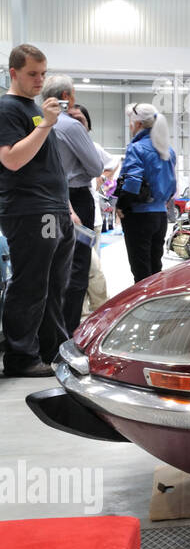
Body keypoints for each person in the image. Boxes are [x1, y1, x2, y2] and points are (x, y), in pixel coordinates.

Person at [0, 44, 74, 377]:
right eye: (32, 74)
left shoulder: (36, 110)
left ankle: (52, 349)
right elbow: (12, 159)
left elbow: (49, 164)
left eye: (43, 74)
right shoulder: (7, 109)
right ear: (13, 73)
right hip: (30, 209)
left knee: (55, 284)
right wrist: (44, 125)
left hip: (53, 208)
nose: (40, 80)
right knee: (31, 284)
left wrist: (66, 205)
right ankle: (20, 357)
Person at [47, 82, 102, 333]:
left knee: (50, 265)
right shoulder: (71, 126)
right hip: (76, 199)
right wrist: (84, 131)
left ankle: (48, 332)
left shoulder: (38, 121)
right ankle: (67, 333)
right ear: (67, 96)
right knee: (78, 265)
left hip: (47, 198)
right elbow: (96, 167)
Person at [117, 102, 177, 283]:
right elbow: (173, 186)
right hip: (160, 216)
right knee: (155, 269)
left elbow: (132, 182)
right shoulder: (168, 150)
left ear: (138, 124)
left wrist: (121, 205)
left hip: (139, 216)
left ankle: (143, 307)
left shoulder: (136, 148)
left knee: (141, 271)